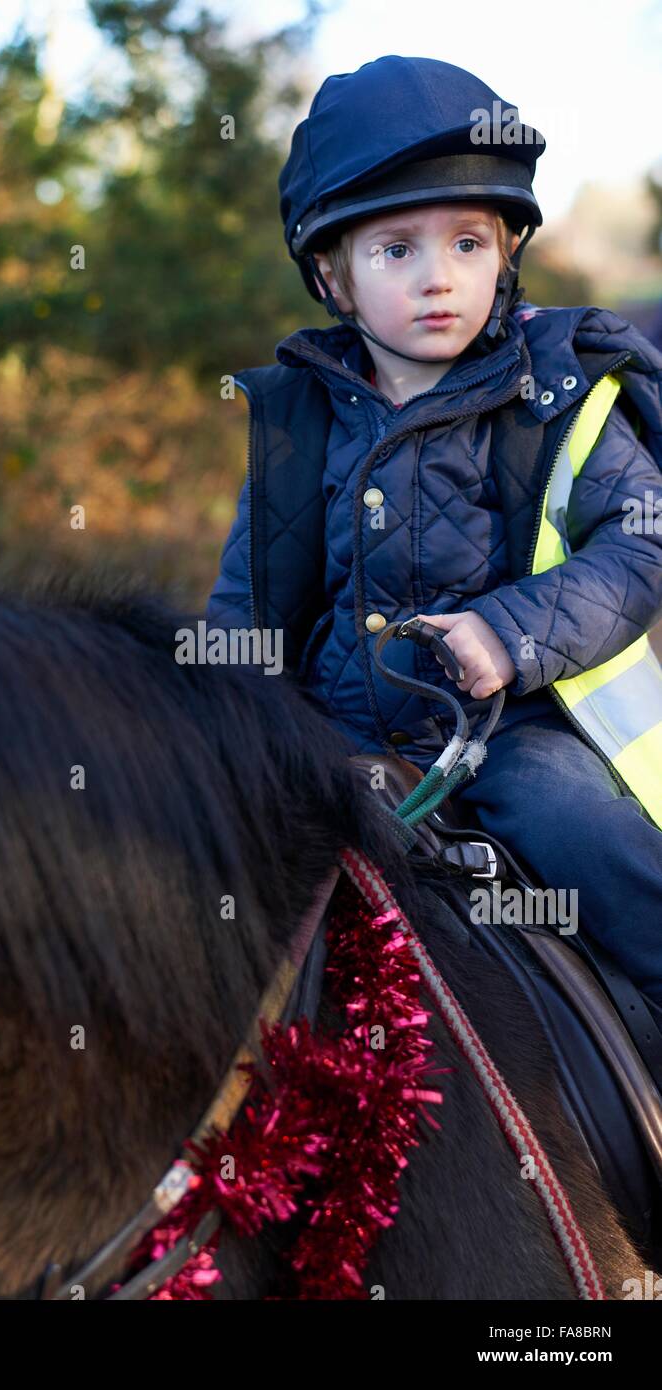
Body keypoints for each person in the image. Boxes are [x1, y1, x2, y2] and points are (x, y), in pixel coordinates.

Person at [206, 55, 662, 1016]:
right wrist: (217, 719)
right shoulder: (299, 421)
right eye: (395, 251)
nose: (438, 278)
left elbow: (640, 542)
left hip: (511, 733)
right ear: (332, 277)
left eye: (466, 242)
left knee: (584, 835)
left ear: (506, 255)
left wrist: (511, 630)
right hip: (330, 735)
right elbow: (247, 606)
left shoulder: (557, 392)